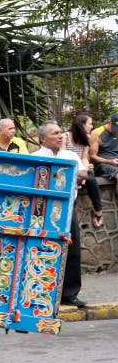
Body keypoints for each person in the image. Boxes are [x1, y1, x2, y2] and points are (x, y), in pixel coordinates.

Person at [32, 121, 89, 307]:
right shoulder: (35, 157)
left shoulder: (69, 155)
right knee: (42, 248)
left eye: (60, 133)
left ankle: (69, 294)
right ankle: (40, 294)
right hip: (44, 208)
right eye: (55, 133)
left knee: (72, 250)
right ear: (43, 139)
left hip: (67, 207)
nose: (60, 136)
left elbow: (83, 174)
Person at [65, 113, 103, 228]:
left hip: (82, 167)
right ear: (82, 125)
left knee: (91, 180)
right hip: (69, 168)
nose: (92, 126)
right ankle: (69, 216)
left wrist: (85, 168)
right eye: (90, 124)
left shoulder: (86, 138)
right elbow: (62, 156)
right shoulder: (65, 137)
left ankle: (98, 211)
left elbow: (85, 157)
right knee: (74, 183)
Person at [89, 112, 118, 195]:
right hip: (102, 164)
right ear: (109, 122)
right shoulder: (96, 133)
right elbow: (92, 157)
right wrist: (110, 161)